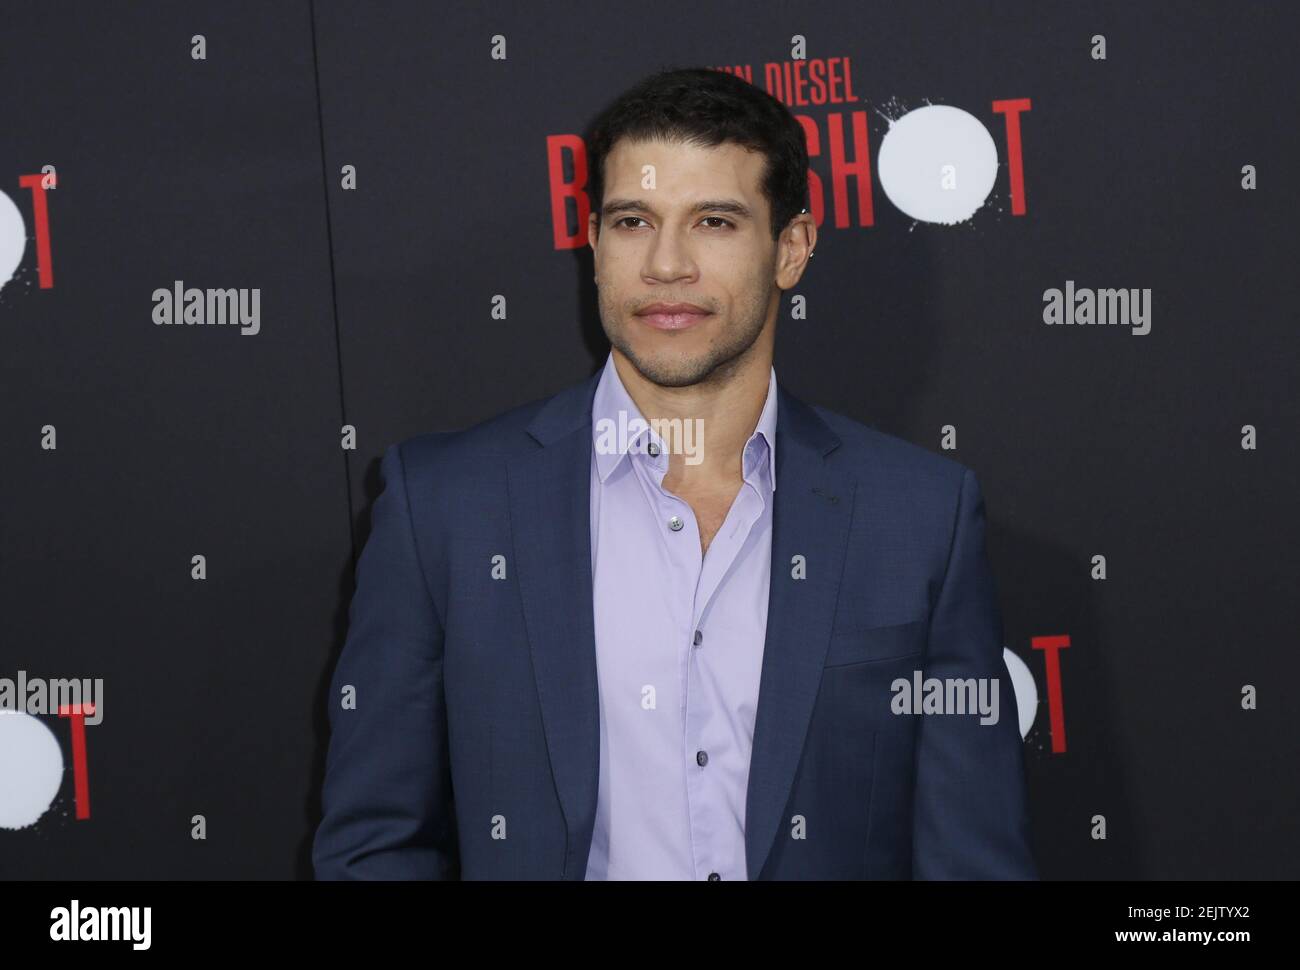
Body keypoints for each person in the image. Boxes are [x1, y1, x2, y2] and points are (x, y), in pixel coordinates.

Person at [312, 66, 1036, 880]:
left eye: (714, 221)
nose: (665, 265)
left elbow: (971, 863)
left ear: (791, 249)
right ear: (593, 243)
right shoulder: (445, 507)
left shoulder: (920, 519)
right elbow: (374, 847)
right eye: (632, 221)